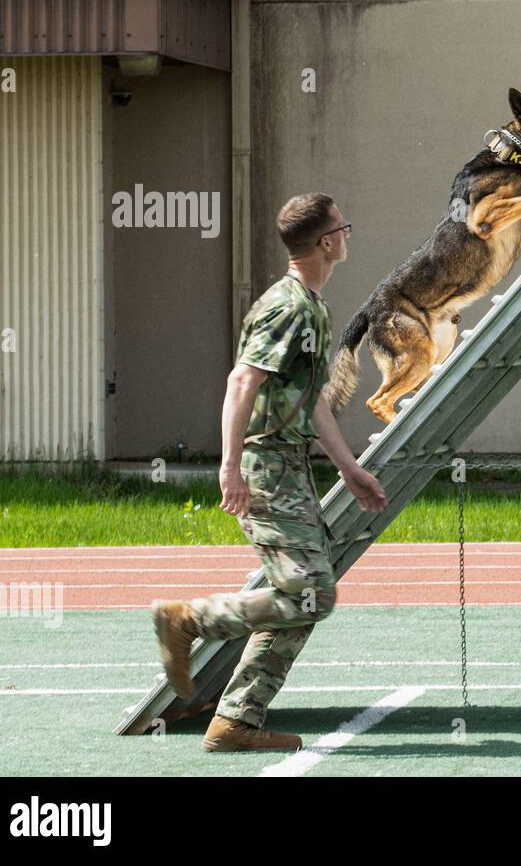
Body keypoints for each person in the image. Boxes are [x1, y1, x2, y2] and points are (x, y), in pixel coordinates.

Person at [151, 192, 388, 751]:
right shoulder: (289, 308)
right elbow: (241, 383)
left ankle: (236, 720)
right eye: (343, 228)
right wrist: (230, 465)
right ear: (327, 242)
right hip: (267, 467)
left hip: (289, 464)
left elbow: (313, 404)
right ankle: (189, 620)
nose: (346, 236)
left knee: (303, 600)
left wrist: (348, 468)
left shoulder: (313, 306)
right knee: (314, 593)